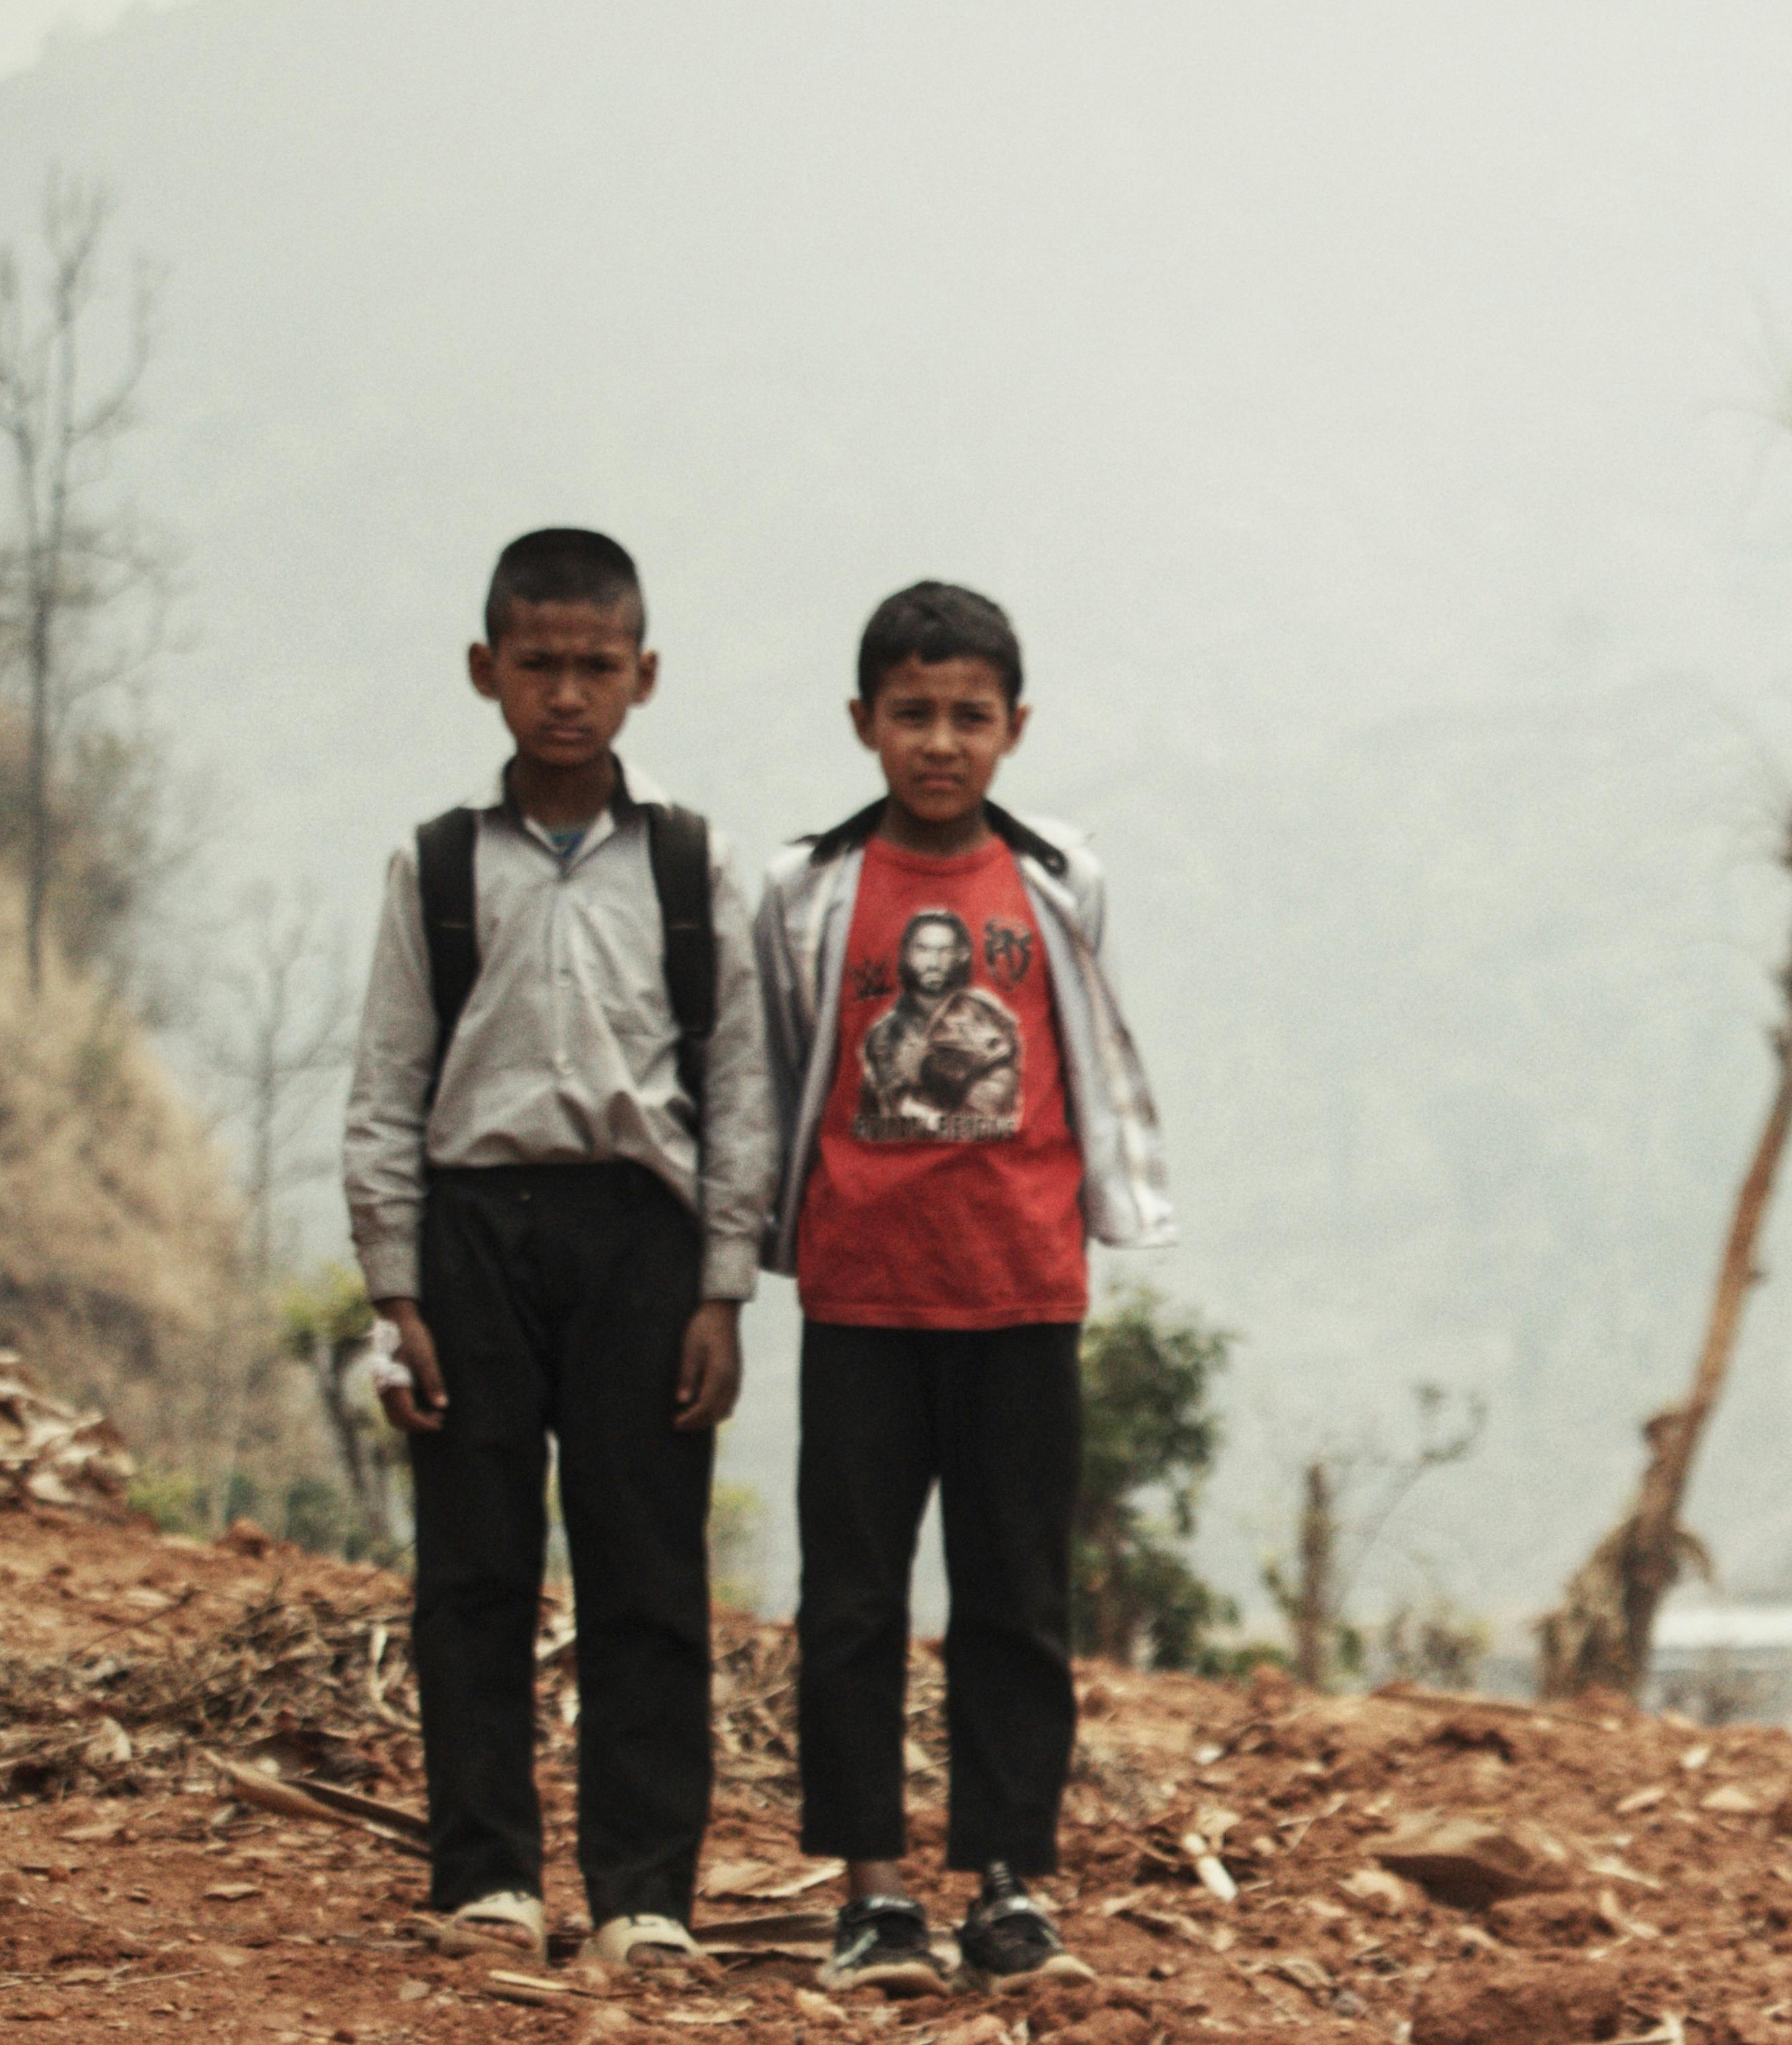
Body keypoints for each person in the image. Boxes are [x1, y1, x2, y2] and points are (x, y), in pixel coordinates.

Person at [342, 526, 774, 1974]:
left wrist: (724, 1288)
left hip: (642, 1238)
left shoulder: (693, 864)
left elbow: (738, 1092)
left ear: (645, 675)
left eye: (598, 665)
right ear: (487, 670)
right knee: (473, 1569)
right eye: (540, 665)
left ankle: (645, 1896)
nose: (568, 695)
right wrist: (394, 1290)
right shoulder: (439, 866)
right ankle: (488, 1883)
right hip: (471, 1233)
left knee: (646, 1571)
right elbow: (386, 1085)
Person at [753, 579, 1176, 1996]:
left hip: (1023, 1296)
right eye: (914, 713)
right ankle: (873, 1892)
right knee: (853, 1603)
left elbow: (1071, 1054)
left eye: (970, 716)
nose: (941, 742)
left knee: (1015, 1602)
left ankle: (1009, 1884)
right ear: (863, 721)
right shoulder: (811, 892)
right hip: (861, 1299)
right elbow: (781, 1071)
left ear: (1016, 727)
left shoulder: (1059, 881)